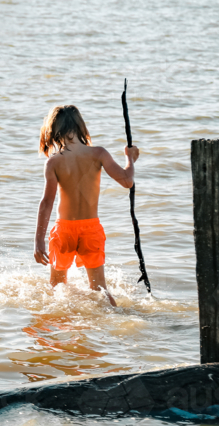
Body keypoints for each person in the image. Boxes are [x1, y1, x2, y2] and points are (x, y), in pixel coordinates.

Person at [32, 105, 139, 306]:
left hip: (64, 229)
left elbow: (46, 203)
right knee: (100, 289)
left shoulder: (54, 162)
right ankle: (115, 322)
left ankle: (60, 327)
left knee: (57, 289)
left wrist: (38, 241)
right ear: (81, 127)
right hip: (91, 229)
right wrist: (130, 159)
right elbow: (127, 181)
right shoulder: (98, 154)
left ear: (53, 131)